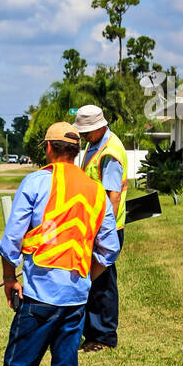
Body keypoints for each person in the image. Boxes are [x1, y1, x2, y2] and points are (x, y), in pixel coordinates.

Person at [0, 122, 120, 366]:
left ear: (48, 149)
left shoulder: (36, 182)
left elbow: (11, 242)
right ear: (76, 153)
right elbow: (108, 250)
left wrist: (9, 278)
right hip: (76, 300)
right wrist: (84, 279)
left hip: (38, 298)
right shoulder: (95, 190)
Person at [75, 104, 127, 352]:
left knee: (103, 283)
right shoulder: (95, 144)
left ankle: (104, 337)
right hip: (94, 225)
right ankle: (92, 334)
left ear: (99, 127)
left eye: (86, 131)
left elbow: (113, 196)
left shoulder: (109, 152)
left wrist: (102, 232)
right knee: (92, 281)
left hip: (106, 228)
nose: (82, 135)